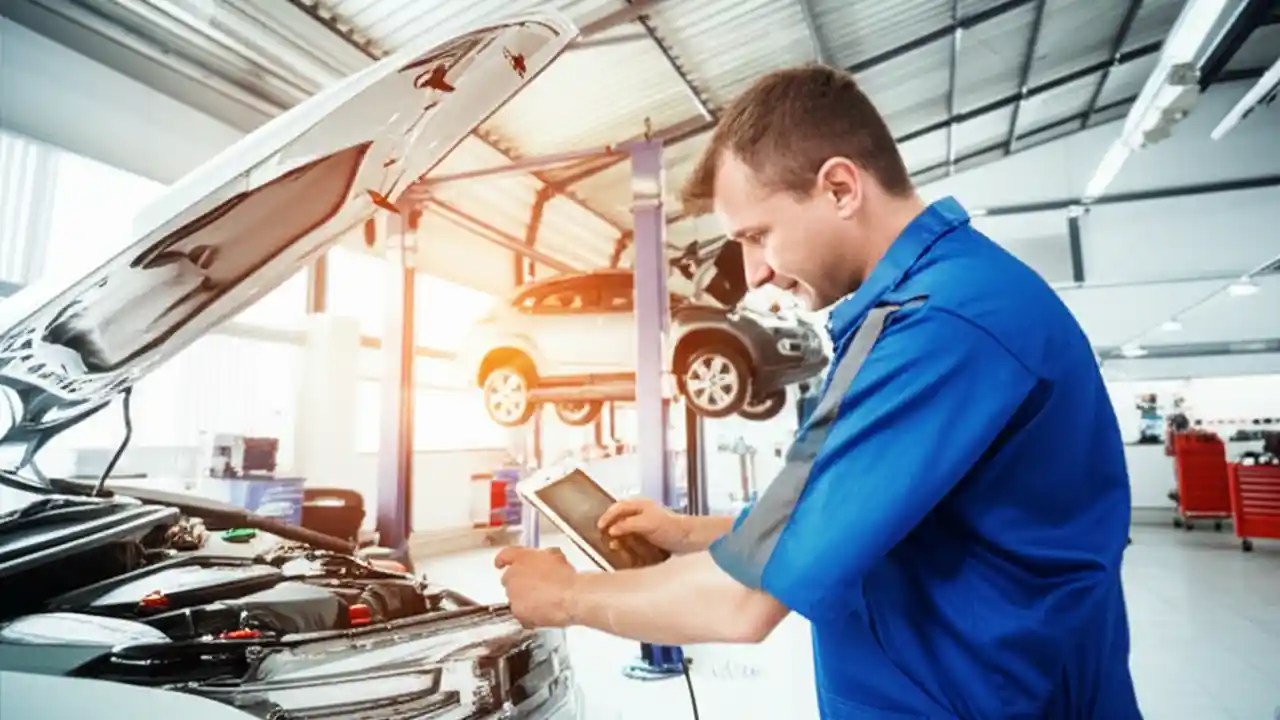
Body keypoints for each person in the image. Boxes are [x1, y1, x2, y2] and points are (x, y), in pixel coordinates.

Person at [495, 64, 1140, 719]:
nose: (754, 273)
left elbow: (742, 604)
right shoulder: (936, 303)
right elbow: (846, 511)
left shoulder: (942, 327)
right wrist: (688, 532)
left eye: (757, 236)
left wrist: (566, 596)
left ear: (839, 188)